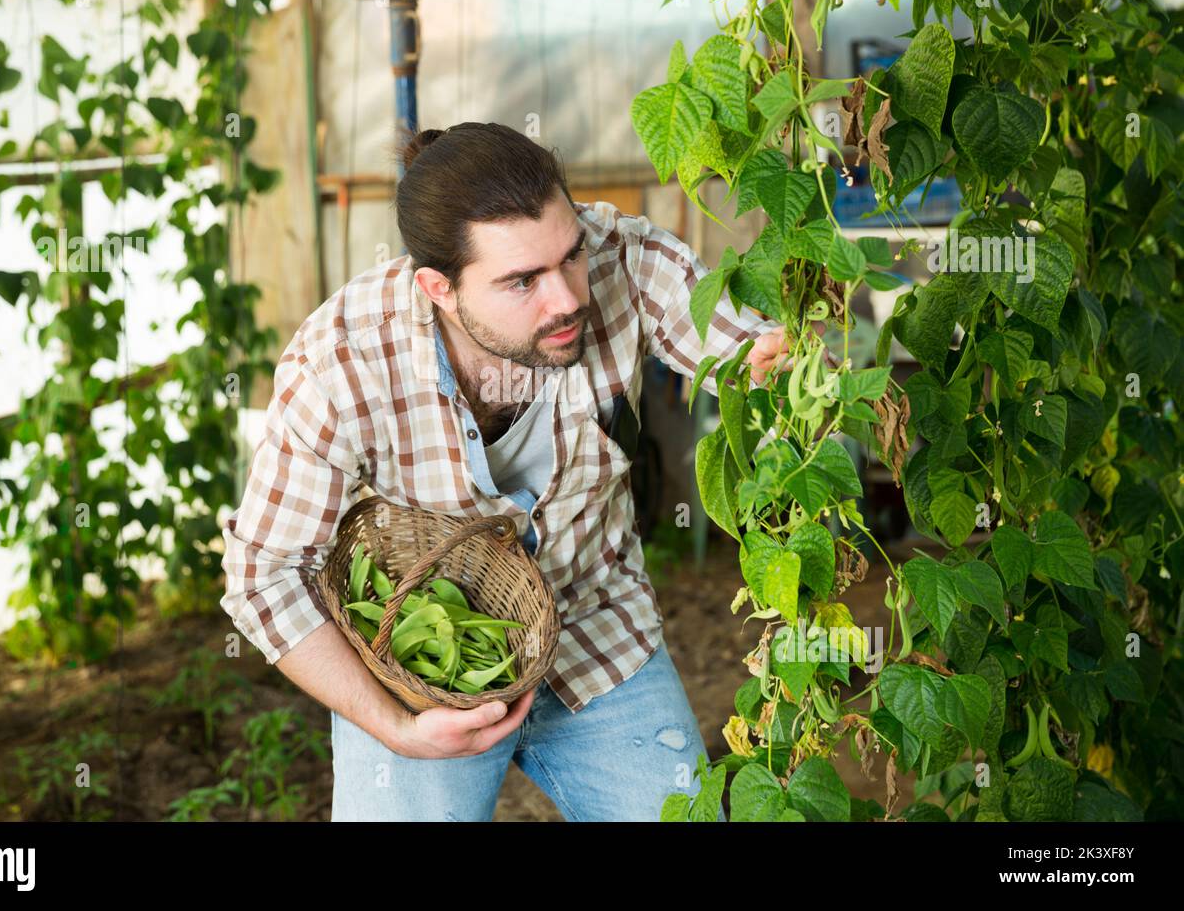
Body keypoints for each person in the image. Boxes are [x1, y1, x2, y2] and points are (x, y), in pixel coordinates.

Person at [220, 121, 791, 821]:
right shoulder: (342, 363)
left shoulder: (621, 258)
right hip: (427, 671)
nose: (567, 299)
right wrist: (398, 727)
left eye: (570, 255)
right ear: (438, 287)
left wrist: (781, 352)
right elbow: (264, 574)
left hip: (597, 627)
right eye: (521, 281)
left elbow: (750, 349)